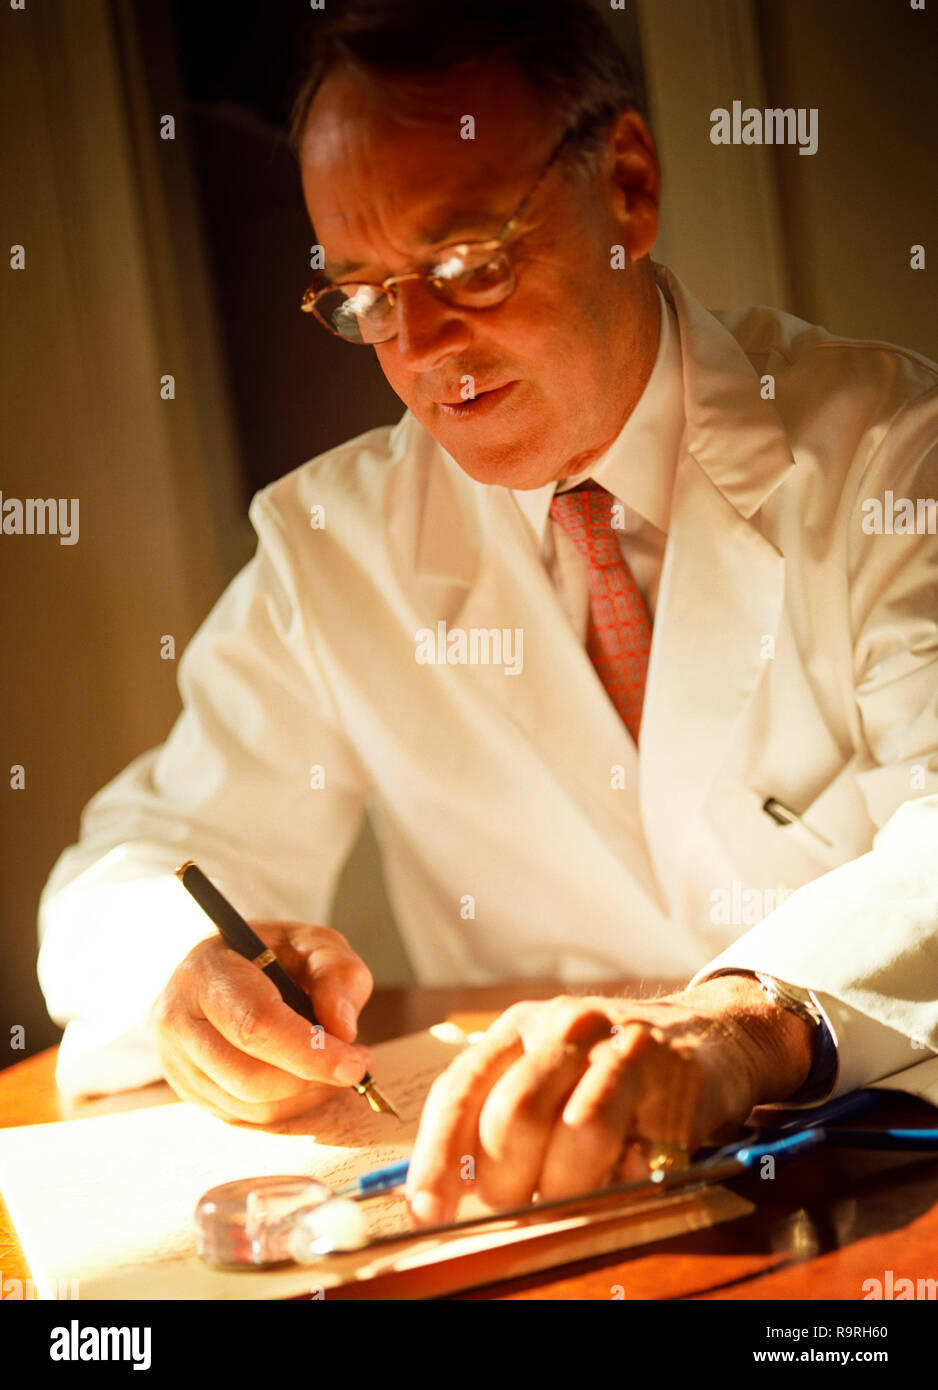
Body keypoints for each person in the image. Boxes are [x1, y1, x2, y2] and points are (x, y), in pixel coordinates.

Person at [37, 0, 938, 1226]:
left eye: (466, 263)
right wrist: (185, 979)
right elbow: (129, 865)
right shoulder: (331, 546)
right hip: (527, 1220)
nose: (415, 347)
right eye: (360, 292)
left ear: (624, 187)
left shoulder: (891, 456)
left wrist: (738, 1022)